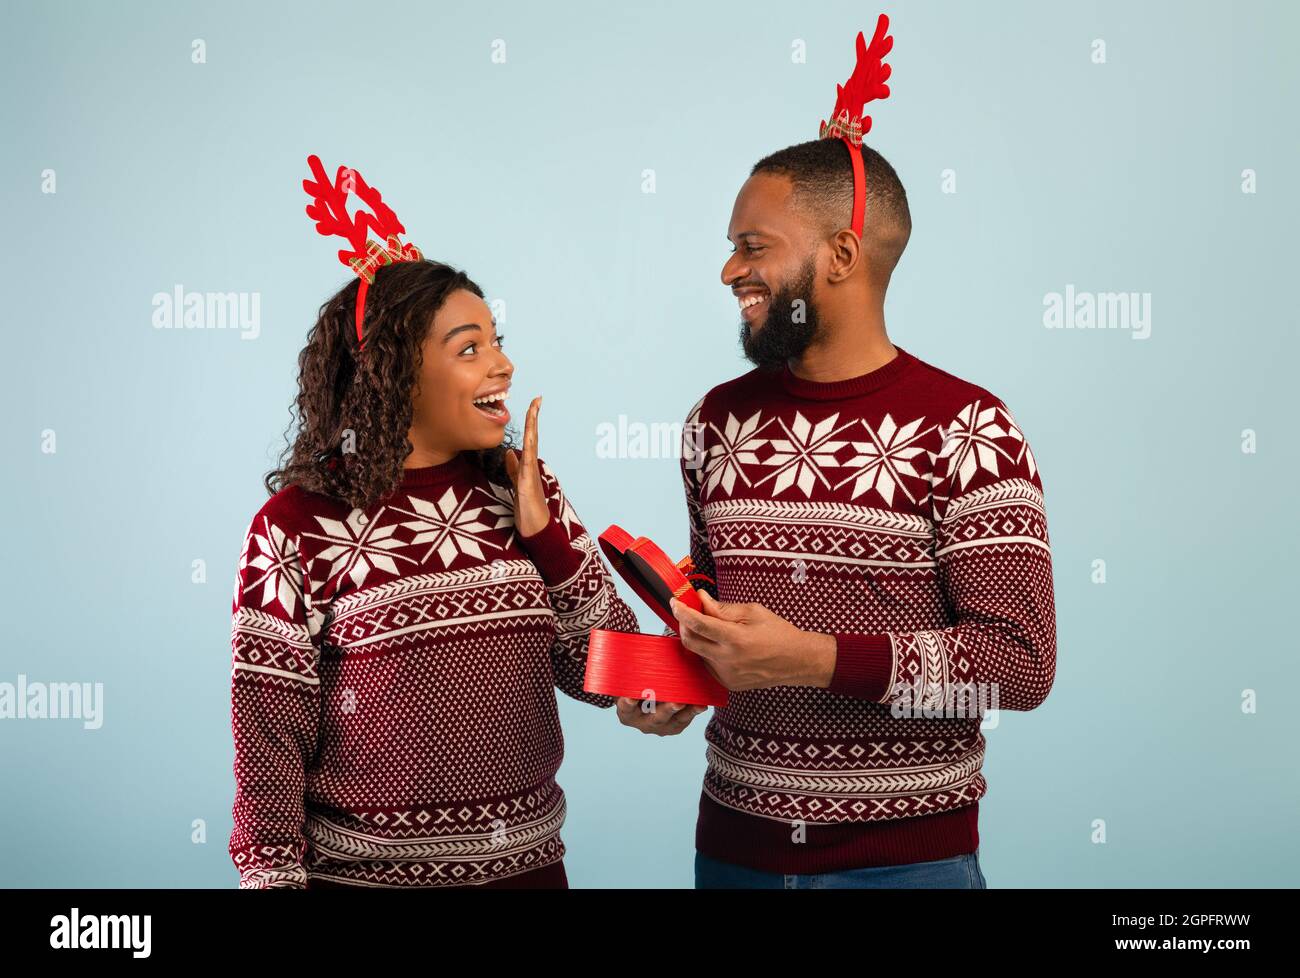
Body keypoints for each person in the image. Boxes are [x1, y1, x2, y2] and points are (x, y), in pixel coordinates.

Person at [617, 134, 1057, 889]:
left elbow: (1018, 664)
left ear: (842, 256)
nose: (730, 273)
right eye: (731, 249)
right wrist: (682, 675)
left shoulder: (970, 429)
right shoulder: (715, 422)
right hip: (733, 853)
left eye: (752, 248)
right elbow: (719, 607)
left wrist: (814, 659)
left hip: (907, 867)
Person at [228, 254, 638, 888]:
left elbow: (612, 674)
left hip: (529, 873)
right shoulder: (295, 524)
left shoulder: (524, 488)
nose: (503, 365)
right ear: (394, 373)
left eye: (497, 343)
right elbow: (268, 740)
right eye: (469, 349)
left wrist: (546, 540)